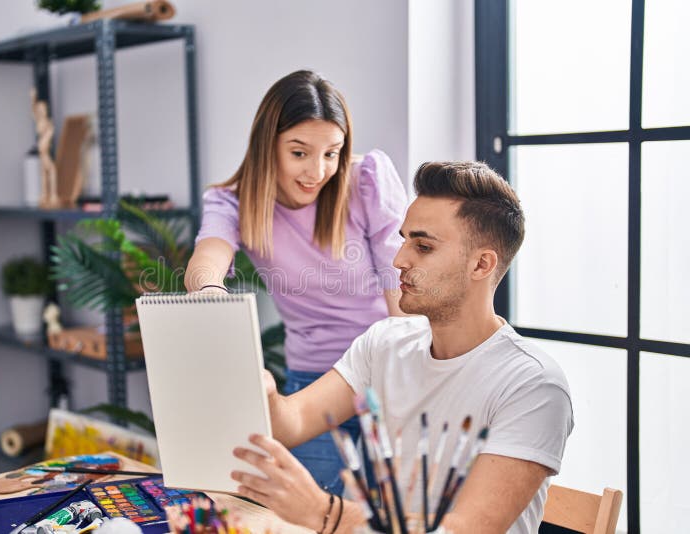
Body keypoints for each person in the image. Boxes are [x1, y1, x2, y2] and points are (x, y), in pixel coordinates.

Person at [230, 161, 574, 534]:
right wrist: (262, 393)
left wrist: (323, 512)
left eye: (423, 246)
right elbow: (292, 422)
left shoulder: (533, 384)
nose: (399, 260)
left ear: (481, 264)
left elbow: (464, 529)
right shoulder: (386, 343)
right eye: (405, 239)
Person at [185, 70, 408, 494]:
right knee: (308, 509)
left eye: (332, 153)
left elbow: (400, 281)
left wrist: (409, 372)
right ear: (268, 144)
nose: (318, 171)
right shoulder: (233, 201)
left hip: (386, 371)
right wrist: (211, 295)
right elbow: (207, 260)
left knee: (390, 511)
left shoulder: (366, 180)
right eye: (300, 152)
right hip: (313, 384)